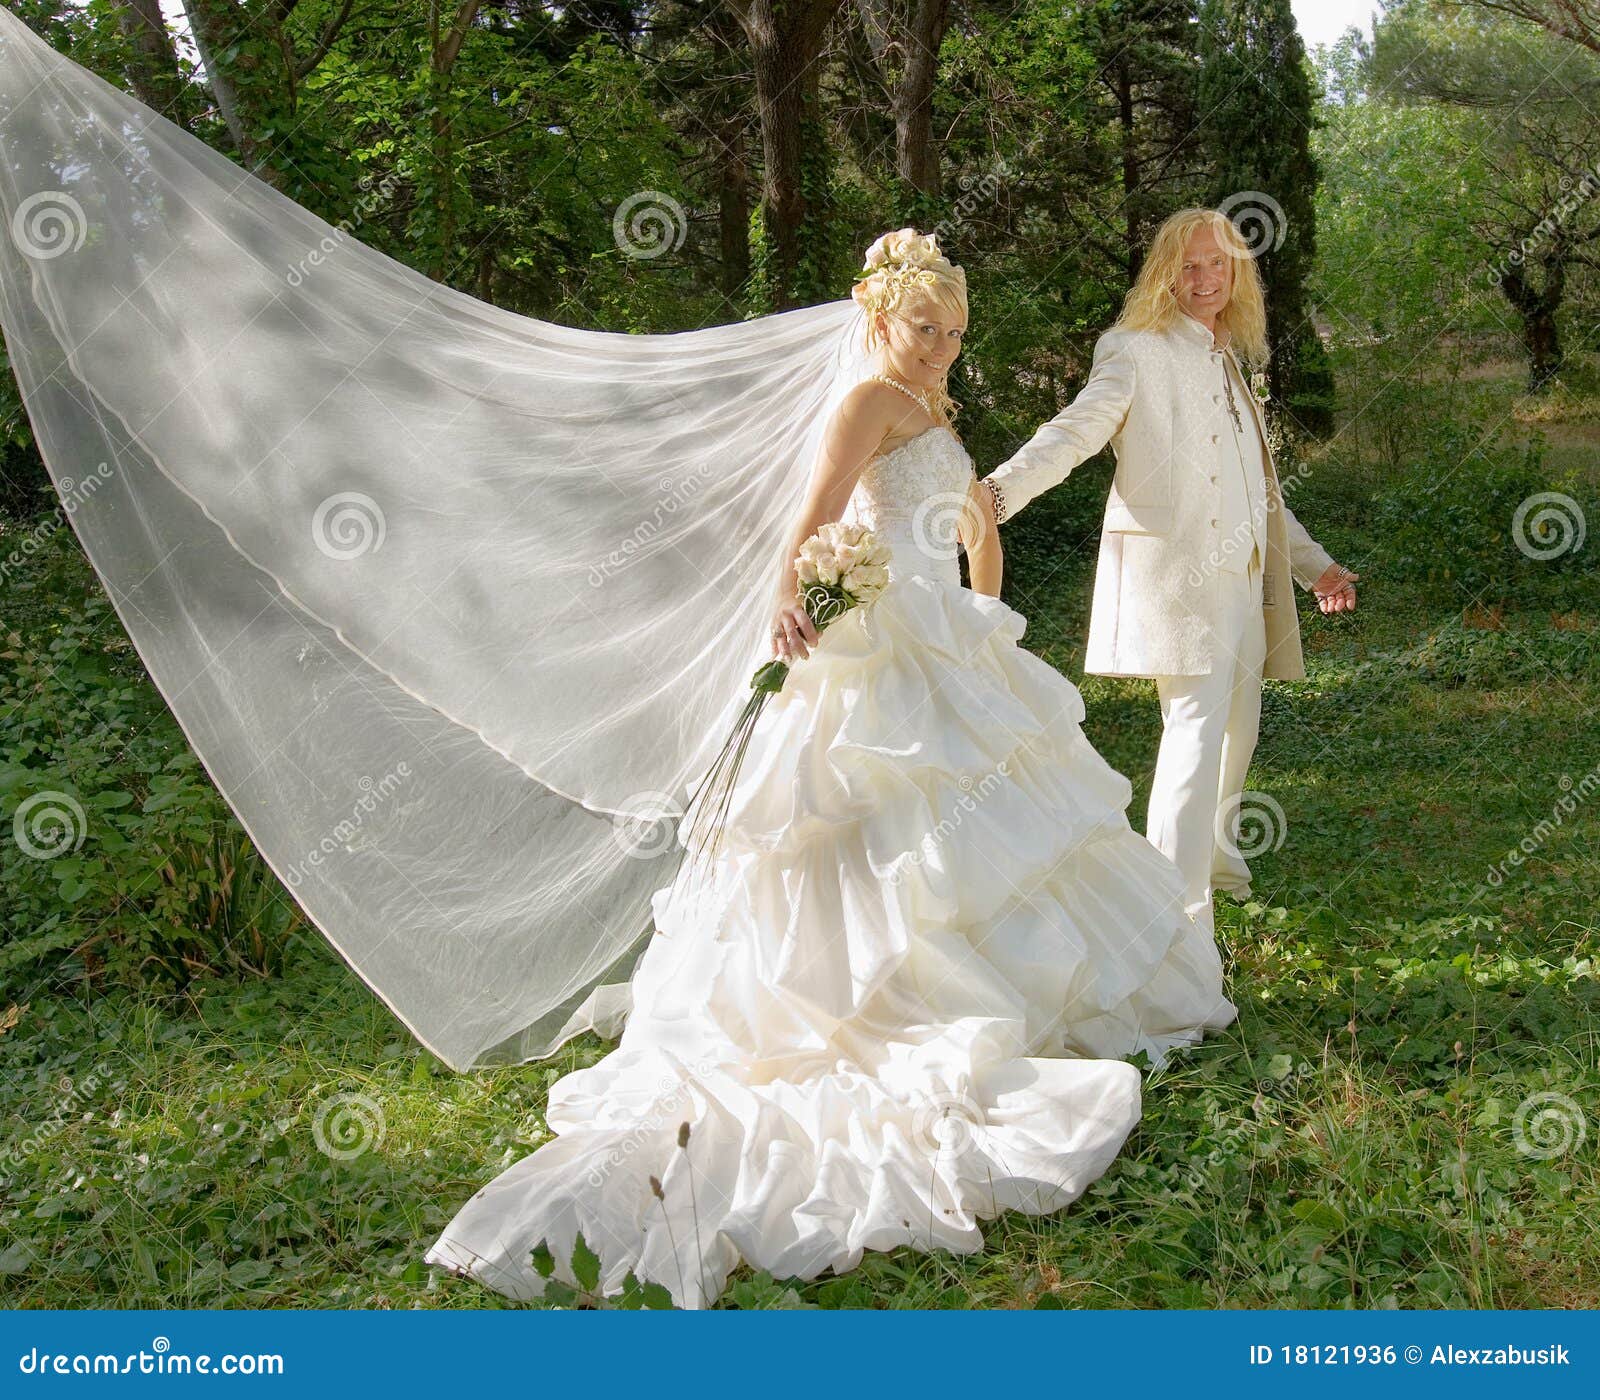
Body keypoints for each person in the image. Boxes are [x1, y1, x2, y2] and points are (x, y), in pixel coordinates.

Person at [424, 230, 1238, 1308]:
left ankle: (995, 987)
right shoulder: (865, 398)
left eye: (952, 333)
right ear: (879, 318)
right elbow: (810, 521)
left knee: (995, 832)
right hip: (878, 647)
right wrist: (789, 597)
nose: (941, 349)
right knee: (876, 831)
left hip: (944, 631)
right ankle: (868, 1004)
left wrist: (986, 601)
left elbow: (971, 516)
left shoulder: (935, 406)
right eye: (923, 329)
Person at [979, 209, 1359, 936]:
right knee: (1193, 732)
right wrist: (998, 494)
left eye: (1219, 265)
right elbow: (1075, 432)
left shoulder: (1227, 360)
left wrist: (1315, 569)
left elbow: (1261, 494)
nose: (1205, 278)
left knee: (1236, 736)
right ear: (1165, 272)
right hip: (1177, 585)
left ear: (1237, 274)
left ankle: (1215, 868)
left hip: (1245, 586)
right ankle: (1174, 915)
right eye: (1189, 266)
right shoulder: (1134, 350)